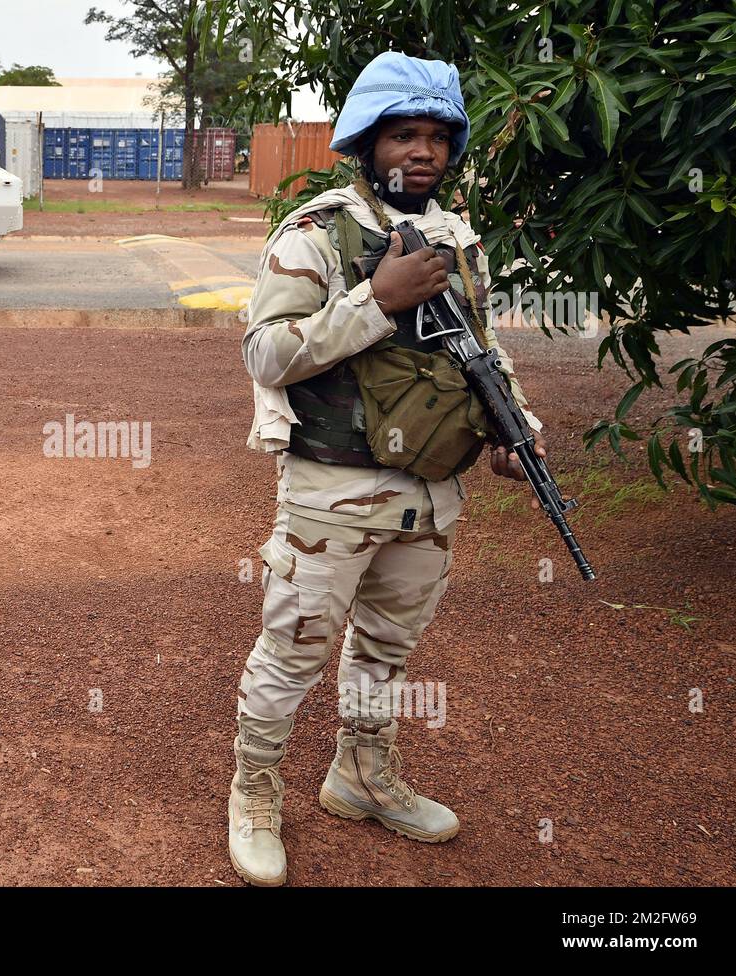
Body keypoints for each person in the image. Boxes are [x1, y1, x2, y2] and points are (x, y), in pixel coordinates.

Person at [228, 51, 548, 887]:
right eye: (404, 135)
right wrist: (379, 299)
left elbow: (480, 350)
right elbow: (265, 354)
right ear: (368, 144)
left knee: (384, 651)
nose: (424, 152)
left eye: (439, 137)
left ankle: (361, 777)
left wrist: (518, 428)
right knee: (294, 648)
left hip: (430, 491)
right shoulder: (316, 233)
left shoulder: (454, 235)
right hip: (333, 486)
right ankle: (254, 790)